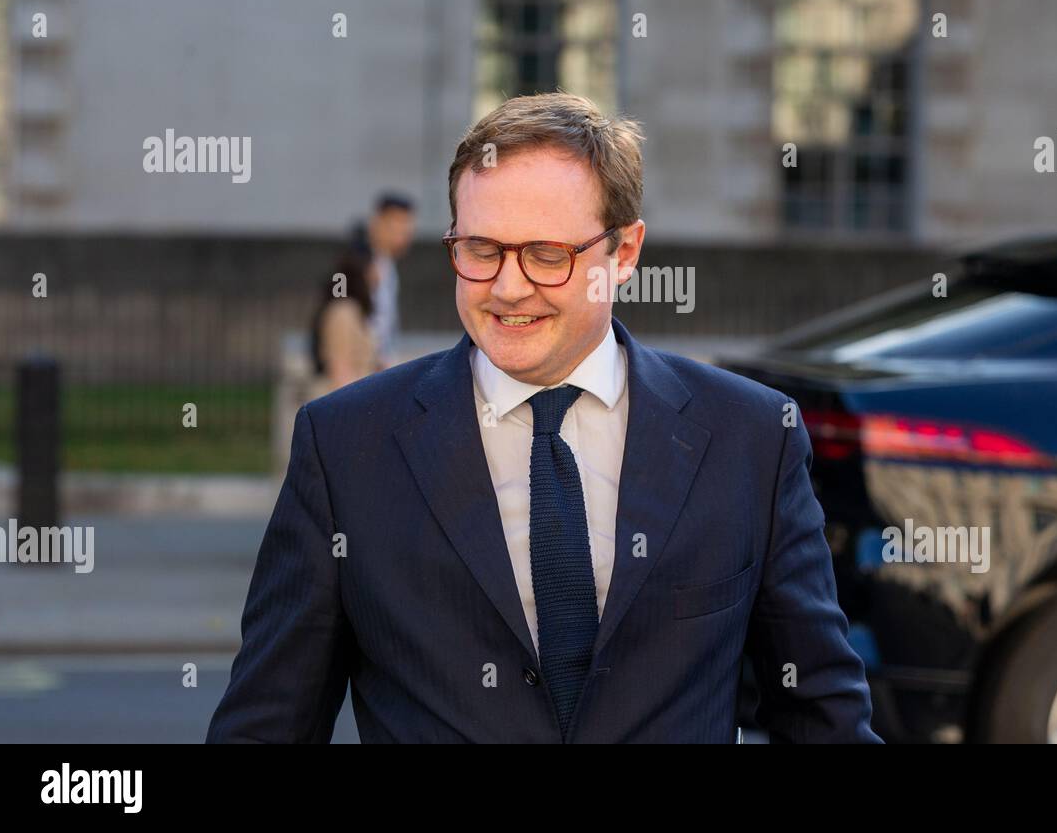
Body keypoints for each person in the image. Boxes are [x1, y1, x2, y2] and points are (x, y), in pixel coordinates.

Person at [207, 92, 881, 744]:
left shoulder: (750, 440)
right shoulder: (346, 449)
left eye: (546, 254)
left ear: (624, 254)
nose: (507, 286)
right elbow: (267, 725)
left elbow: (823, 718)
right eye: (480, 248)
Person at [351, 192, 416, 367]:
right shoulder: (360, 264)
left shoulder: (386, 265)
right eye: (397, 225)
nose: (404, 234)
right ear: (377, 222)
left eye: (407, 227)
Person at [309, 245, 379, 394]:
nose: (378, 276)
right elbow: (340, 370)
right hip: (342, 404)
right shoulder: (343, 312)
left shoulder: (352, 312)